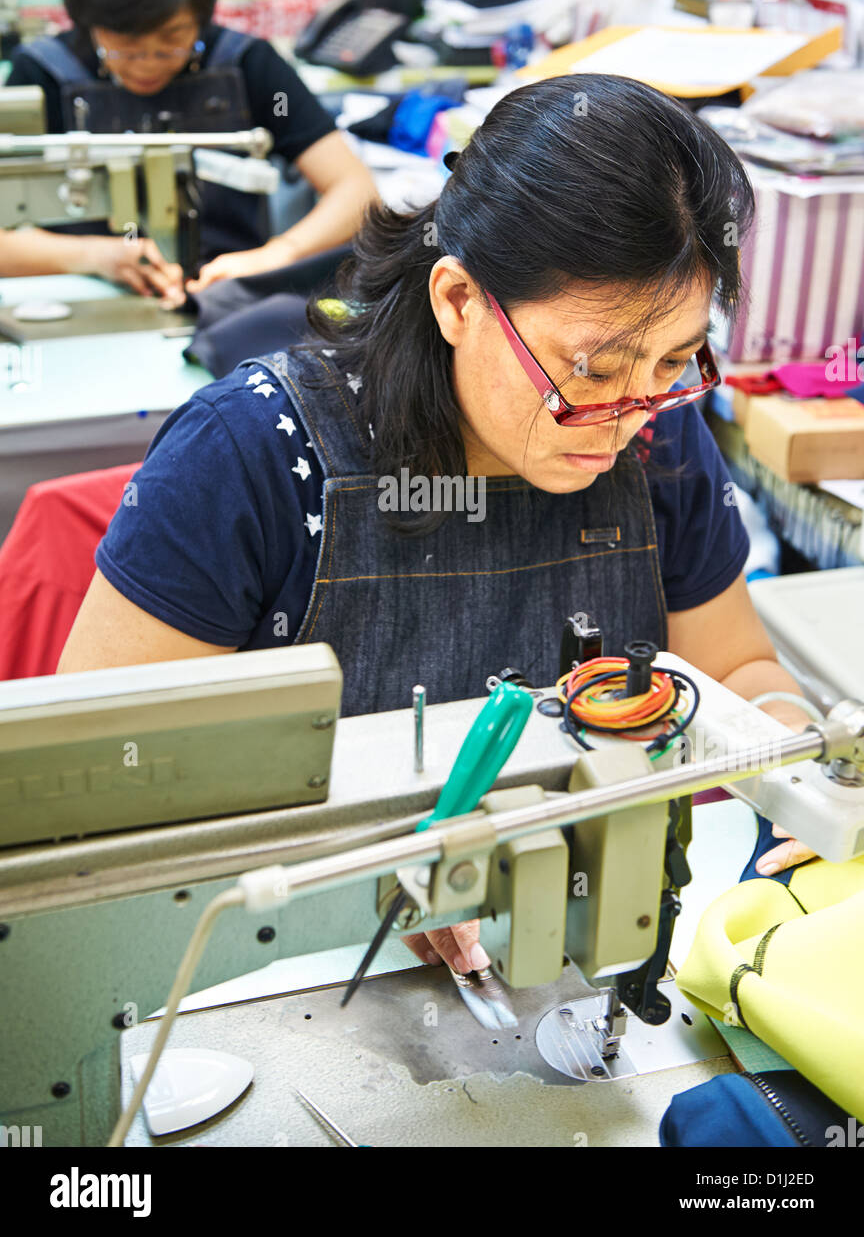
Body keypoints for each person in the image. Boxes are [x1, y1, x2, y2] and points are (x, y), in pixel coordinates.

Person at [57, 73, 816, 976]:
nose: (627, 414)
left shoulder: (662, 436)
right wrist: (358, 883)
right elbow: (104, 798)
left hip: (563, 962)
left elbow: (734, 668)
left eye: (675, 360)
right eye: (592, 369)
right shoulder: (250, 456)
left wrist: (802, 775)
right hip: (277, 975)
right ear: (457, 301)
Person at [4, 0, 377, 301]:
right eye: (125, 43)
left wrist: (278, 253)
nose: (147, 62)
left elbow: (357, 191)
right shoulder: (42, 74)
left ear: (203, 9)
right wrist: (92, 256)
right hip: (85, 299)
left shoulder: (246, 64)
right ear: (85, 14)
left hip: (225, 299)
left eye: (172, 37)